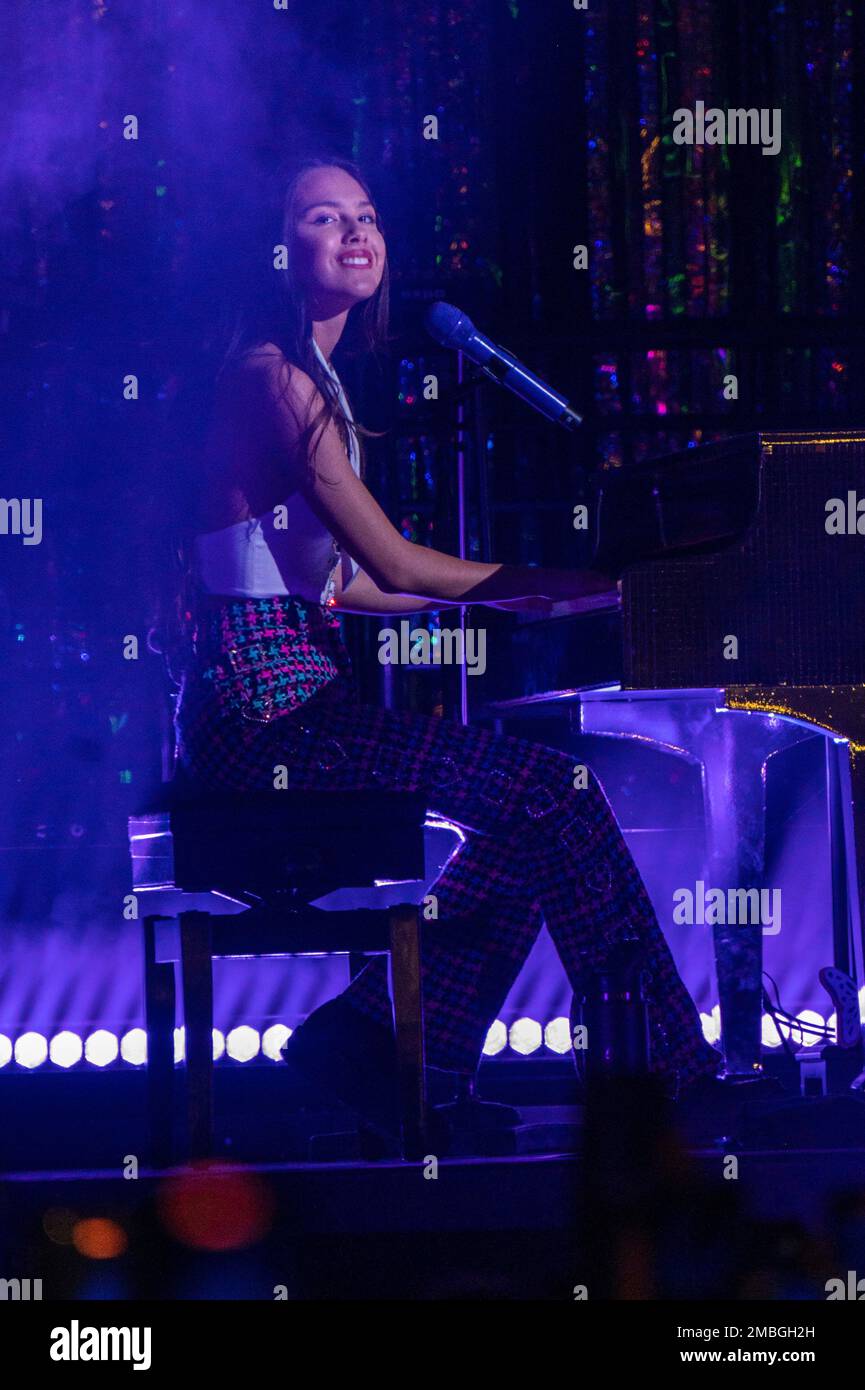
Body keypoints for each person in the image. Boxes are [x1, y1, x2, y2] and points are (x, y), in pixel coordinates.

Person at [170, 154, 720, 1141]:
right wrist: (548, 583)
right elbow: (393, 560)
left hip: (290, 713)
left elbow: (340, 584)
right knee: (558, 793)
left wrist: (524, 606)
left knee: (530, 816)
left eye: (367, 215)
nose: (356, 232)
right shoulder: (270, 382)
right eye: (323, 217)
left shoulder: (304, 381)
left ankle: (381, 1047)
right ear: (274, 248)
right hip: (266, 724)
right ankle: (669, 1077)